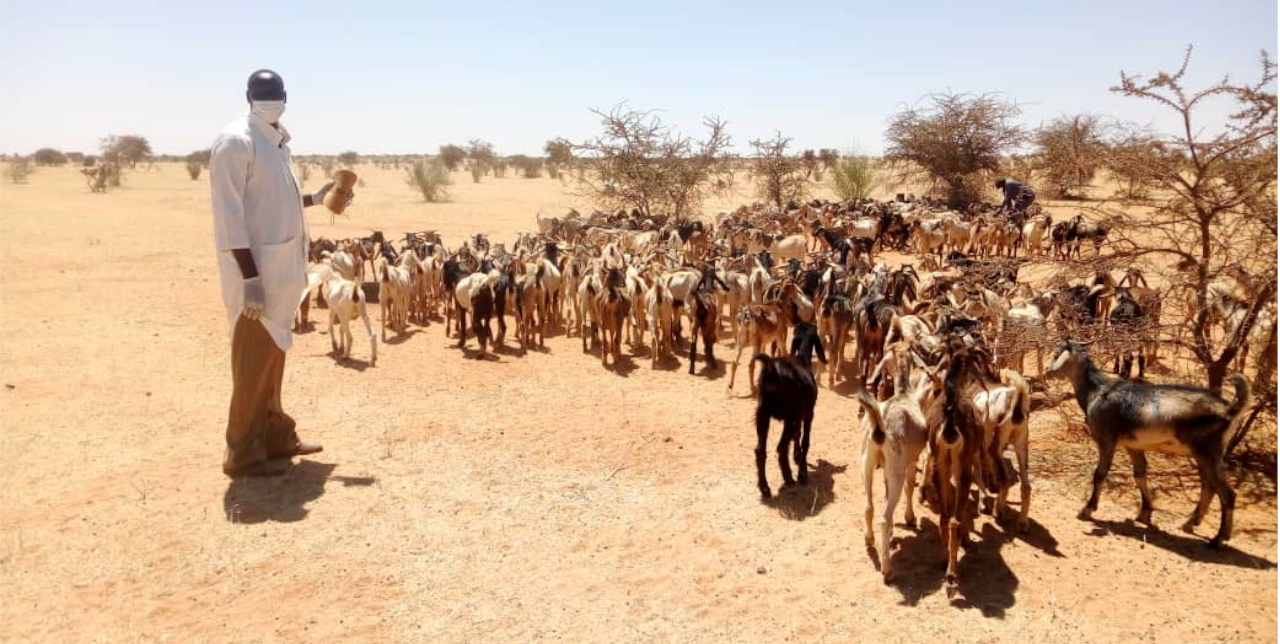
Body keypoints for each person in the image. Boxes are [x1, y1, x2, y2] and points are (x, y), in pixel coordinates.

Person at [210, 69, 352, 477]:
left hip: (282, 276)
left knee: (273, 361)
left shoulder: (277, 142)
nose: (272, 99)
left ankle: (276, 438)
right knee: (253, 365)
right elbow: (229, 217)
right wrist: (249, 278)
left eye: (275, 94)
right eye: (265, 93)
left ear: (286, 97)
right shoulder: (236, 142)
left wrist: (316, 197)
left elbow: (274, 204)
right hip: (255, 279)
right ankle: (242, 452)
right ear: (248, 97)